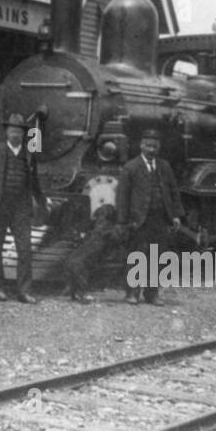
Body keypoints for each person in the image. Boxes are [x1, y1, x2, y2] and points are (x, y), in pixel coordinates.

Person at [0, 113, 45, 304]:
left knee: (25, 249)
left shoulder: (29, 154)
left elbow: (35, 182)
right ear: (6, 132)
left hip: (21, 208)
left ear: (23, 134)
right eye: (12, 130)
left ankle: (24, 291)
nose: (15, 134)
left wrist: (43, 202)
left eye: (19, 131)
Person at [116, 128, 187, 305]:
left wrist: (176, 215)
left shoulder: (164, 167)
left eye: (154, 146)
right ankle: (132, 293)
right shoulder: (130, 167)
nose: (151, 149)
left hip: (160, 218)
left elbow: (173, 191)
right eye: (148, 145)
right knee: (136, 256)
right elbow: (122, 197)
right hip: (138, 219)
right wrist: (122, 221)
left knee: (157, 257)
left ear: (159, 147)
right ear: (141, 146)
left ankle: (152, 294)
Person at [62, 203, 126, 303]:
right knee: (81, 268)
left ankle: (73, 291)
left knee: (76, 264)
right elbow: (117, 238)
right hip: (81, 262)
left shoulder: (95, 229)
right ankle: (81, 294)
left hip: (71, 260)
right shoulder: (108, 230)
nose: (100, 220)